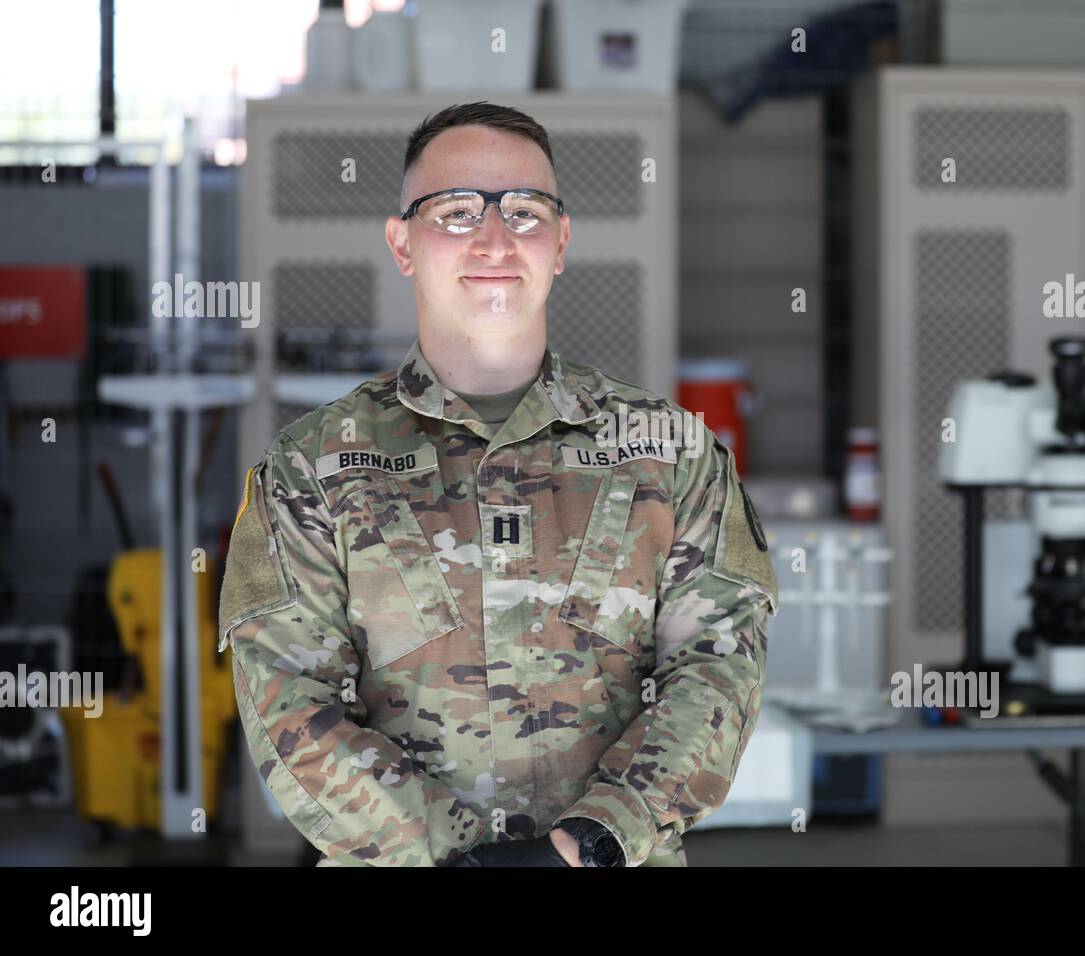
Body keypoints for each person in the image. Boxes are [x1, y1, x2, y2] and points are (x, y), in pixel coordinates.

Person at [217, 101, 777, 867]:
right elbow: (284, 699)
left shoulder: (670, 452)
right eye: (453, 212)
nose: (493, 238)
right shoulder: (310, 468)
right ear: (402, 242)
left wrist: (589, 843)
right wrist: (460, 858)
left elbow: (717, 671)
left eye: (524, 210)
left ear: (561, 243)